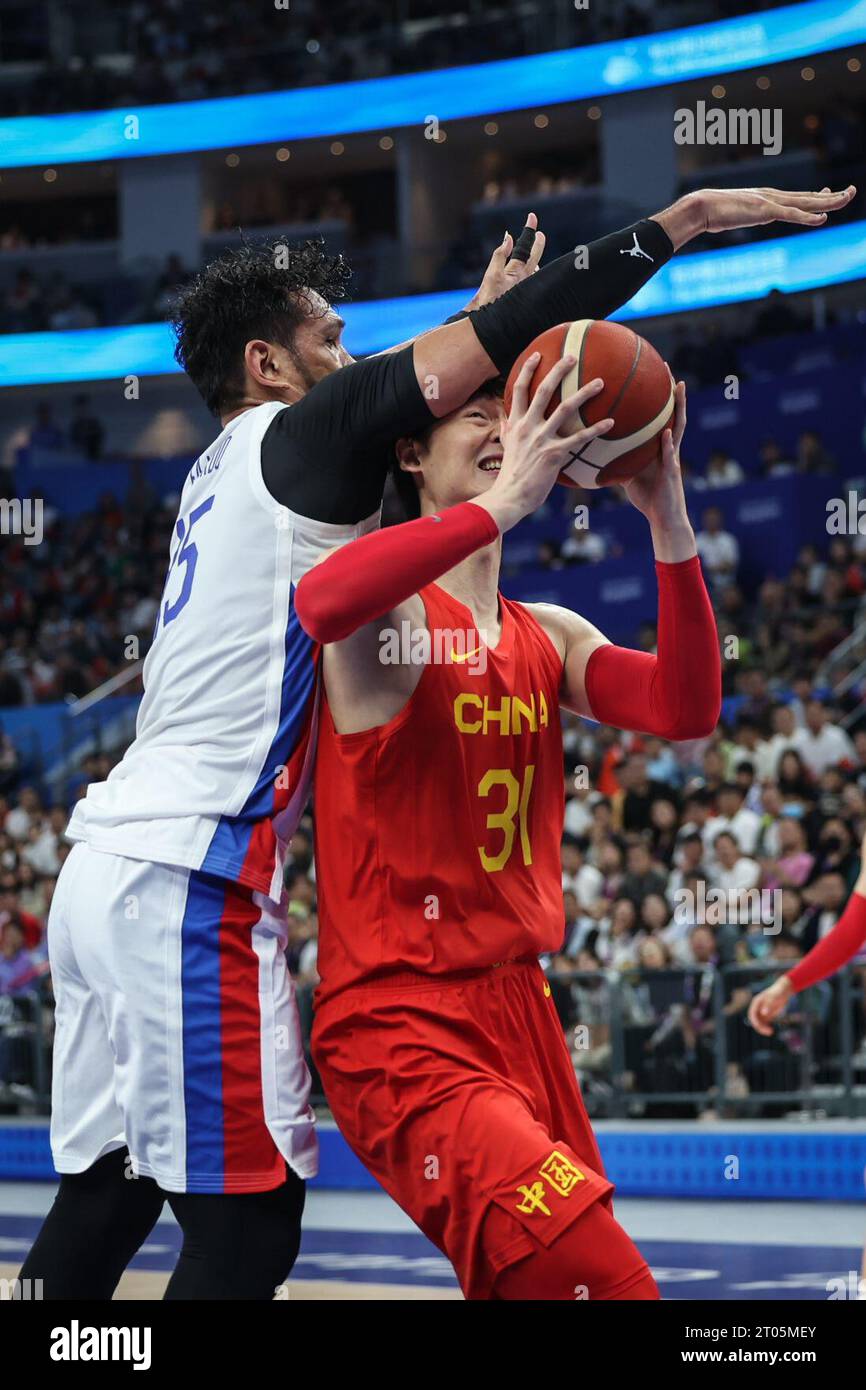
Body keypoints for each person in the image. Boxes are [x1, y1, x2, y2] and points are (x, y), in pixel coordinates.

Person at [20, 182, 854, 1301]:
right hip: (228, 896)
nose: (358, 359)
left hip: (172, 876)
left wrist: (665, 517)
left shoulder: (492, 602)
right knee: (251, 1231)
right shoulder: (342, 529)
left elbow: (688, 708)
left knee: (111, 1196)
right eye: (332, 339)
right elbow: (340, 576)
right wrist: (680, 223)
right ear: (269, 365)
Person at [296, 352, 720, 1299]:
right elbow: (320, 601)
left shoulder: (550, 634)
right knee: (608, 1282)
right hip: (403, 1017)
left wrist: (668, 516)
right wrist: (503, 504)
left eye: (518, 409)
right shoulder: (395, 621)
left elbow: (687, 707)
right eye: (479, 414)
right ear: (411, 453)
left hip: (522, 1008)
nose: (507, 428)